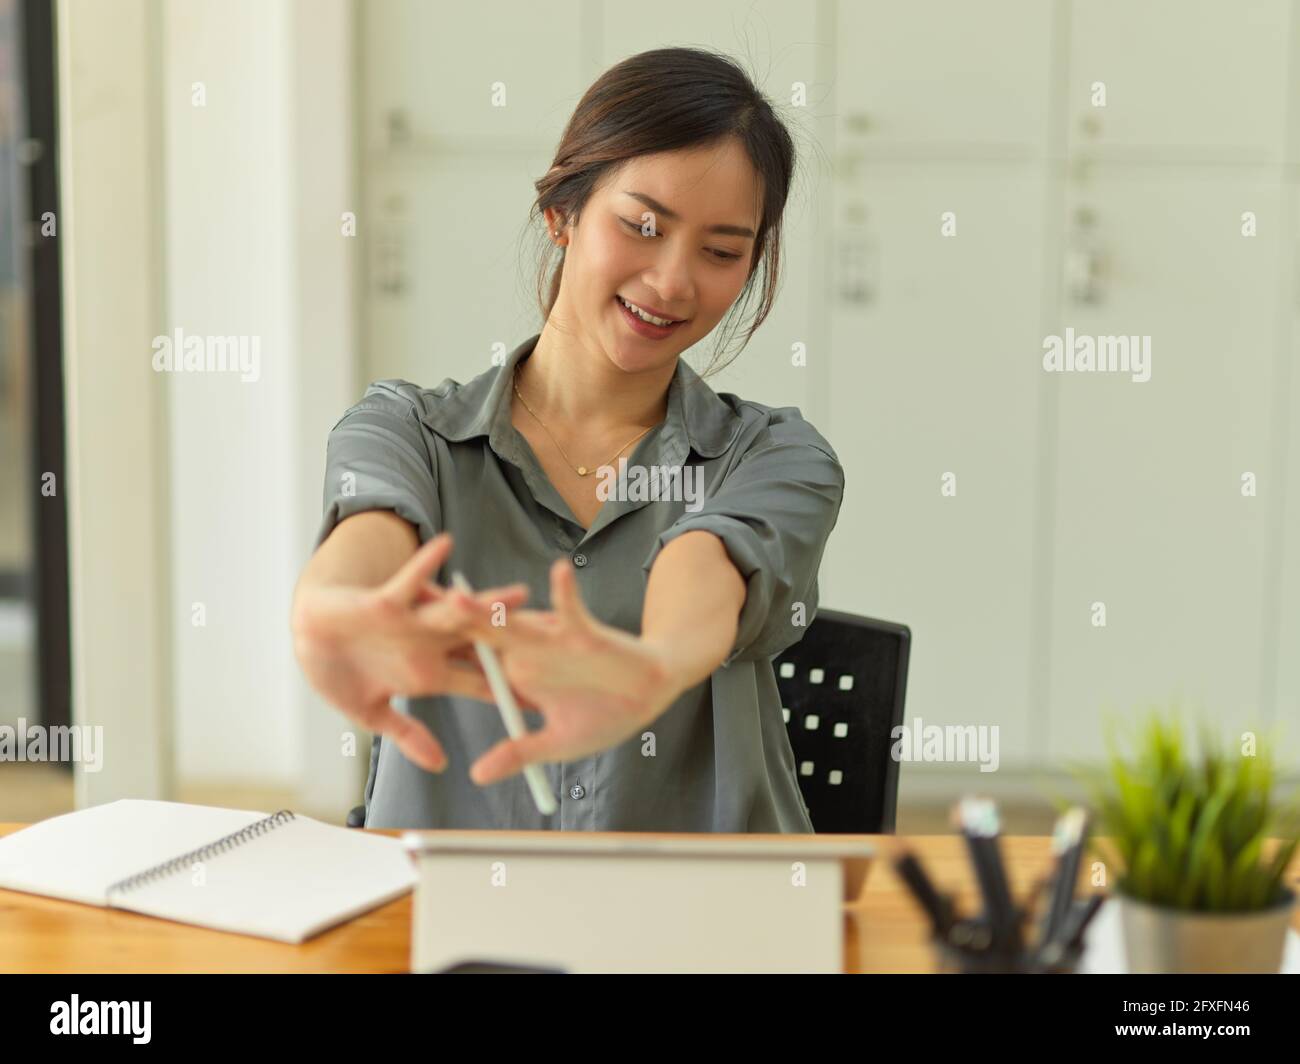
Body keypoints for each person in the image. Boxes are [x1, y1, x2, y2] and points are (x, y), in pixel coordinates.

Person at [291, 47, 845, 831]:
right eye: (643, 226)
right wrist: (332, 608)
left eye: (722, 252)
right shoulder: (404, 429)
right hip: (447, 919)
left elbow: (705, 562)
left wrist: (653, 667)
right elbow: (372, 535)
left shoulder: (777, 457)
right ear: (562, 213)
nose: (674, 281)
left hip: (705, 926)